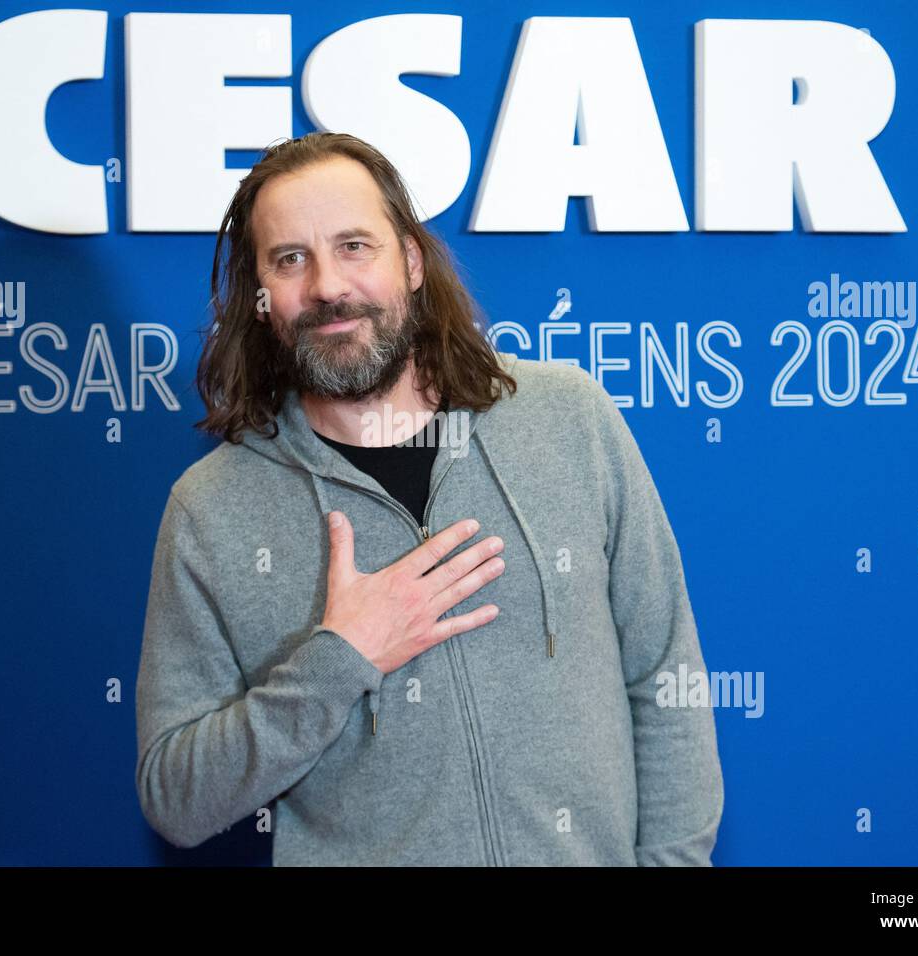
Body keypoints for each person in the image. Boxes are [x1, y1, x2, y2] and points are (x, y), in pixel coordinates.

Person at [134, 131, 724, 865]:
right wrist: (339, 657)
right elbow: (175, 797)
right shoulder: (211, 509)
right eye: (291, 260)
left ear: (411, 261)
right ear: (259, 298)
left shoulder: (569, 419)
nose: (327, 286)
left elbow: (665, 676)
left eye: (356, 246)